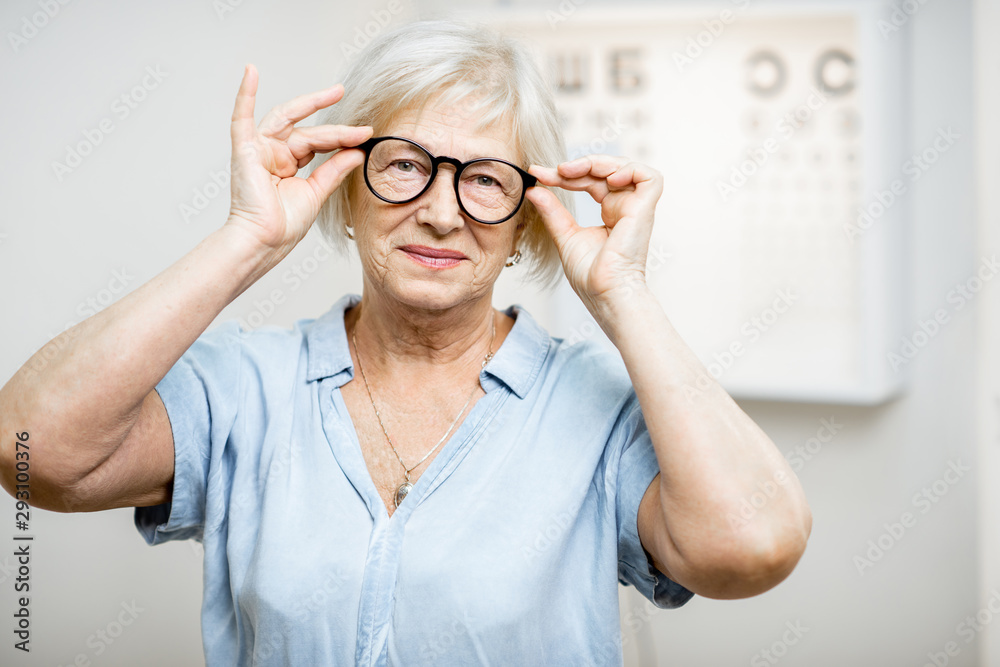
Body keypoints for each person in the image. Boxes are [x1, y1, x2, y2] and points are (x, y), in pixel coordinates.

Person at [0, 20, 811, 667]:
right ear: (347, 183)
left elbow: (754, 546)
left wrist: (623, 294)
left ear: (527, 217)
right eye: (406, 165)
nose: (443, 212)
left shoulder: (595, 408)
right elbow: (31, 447)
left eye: (487, 178)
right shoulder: (247, 386)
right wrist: (247, 237)